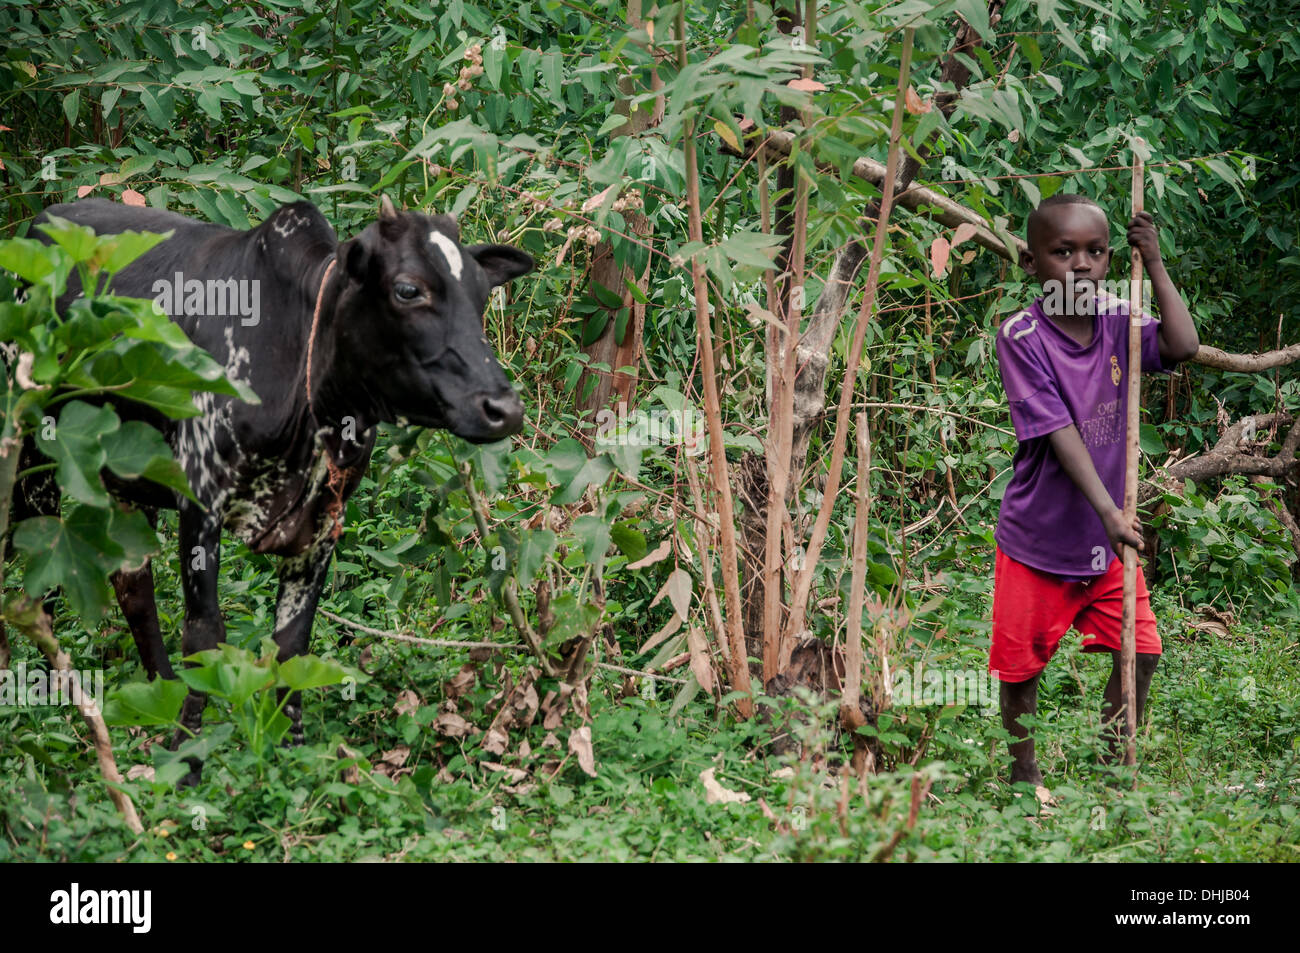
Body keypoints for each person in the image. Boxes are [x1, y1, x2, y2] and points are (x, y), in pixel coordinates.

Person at [991, 192, 1200, 803]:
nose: (1080, 265)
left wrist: (1155, 264)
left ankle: (1114, 774)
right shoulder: (1021, 335)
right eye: (1063, 253)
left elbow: (1184, 347)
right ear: (1032, 264)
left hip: (1104, 542)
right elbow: (1059, 432)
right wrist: (1110, 511)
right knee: (1022, 671)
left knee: (1142, 653)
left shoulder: (1120, 318)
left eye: (1095, 252)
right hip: (1040, 537)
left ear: (1110, 259)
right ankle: (1024, 778)